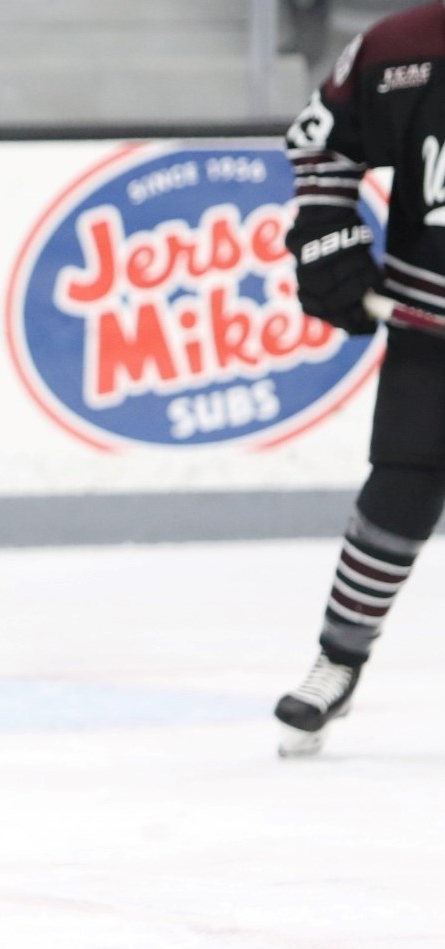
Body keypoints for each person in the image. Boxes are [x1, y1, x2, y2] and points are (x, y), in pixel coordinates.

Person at [278, 1, 445, 756]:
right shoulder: (399, 47)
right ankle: (337, 662)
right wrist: (327, 237)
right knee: (397, 496)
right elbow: (320, 145)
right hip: (432, 329)